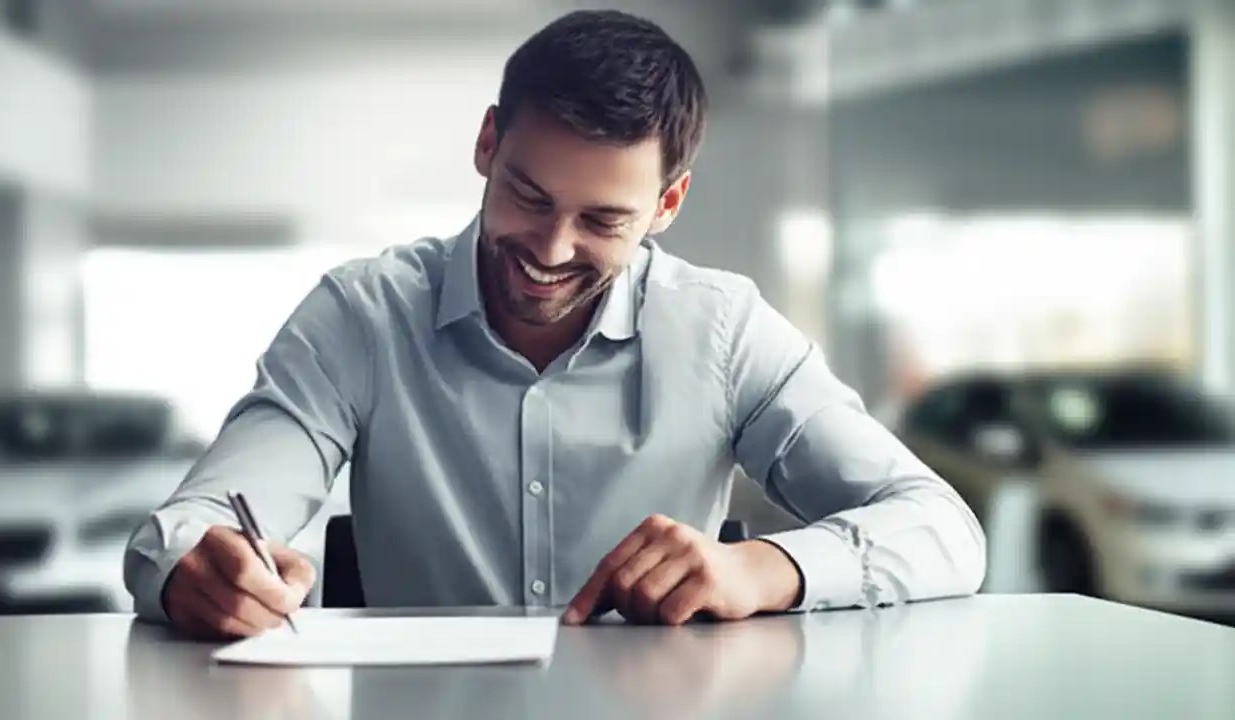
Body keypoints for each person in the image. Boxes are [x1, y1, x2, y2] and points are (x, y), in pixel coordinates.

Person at [124, 9, 985, 639]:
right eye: (528, 196)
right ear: (488, 144)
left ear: (667, 204)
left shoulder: (724, 331)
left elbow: (942, 529)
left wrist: (763, 568)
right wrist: (199, 568)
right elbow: (186, 528)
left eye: (603, 220)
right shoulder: (361, 317)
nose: (550, 248)